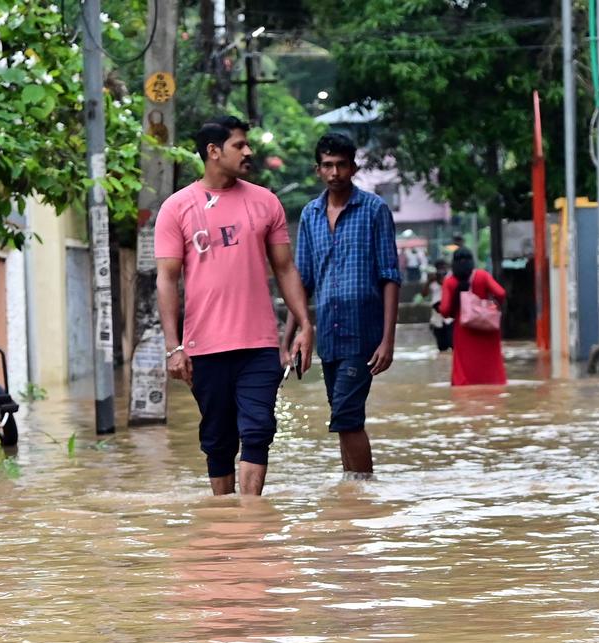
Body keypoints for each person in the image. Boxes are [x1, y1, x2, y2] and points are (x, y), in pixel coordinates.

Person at [154, 115, 314, 496]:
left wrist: (305, 324)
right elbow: (166, 280)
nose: (248, 151)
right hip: (204, 347)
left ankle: (249, 519)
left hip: (259, 344)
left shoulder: (265, 203)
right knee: (218, 439)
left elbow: (286, 269)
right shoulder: (177, 208)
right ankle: (226, 526)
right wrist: (173, 347)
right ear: (213, 151)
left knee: (258, 429)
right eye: (239, 145)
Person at [293, 132, 401, 478]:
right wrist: (289, 337)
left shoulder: (374, 210)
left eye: (341, 165)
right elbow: (303, 282)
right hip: (329, 333)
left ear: (353, 167)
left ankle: (364, 491)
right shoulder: (310, 214)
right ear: (318, 169)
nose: (334, 172)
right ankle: (352, 492)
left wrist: (388, 340)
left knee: (346, 415)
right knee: (343, 414)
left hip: (363, 332)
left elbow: (390, 276)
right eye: (327, 165)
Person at [439, 248, 507, 385]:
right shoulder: (482, 276)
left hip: (464, 330)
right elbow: (500, 293)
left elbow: (445, 310)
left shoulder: (449, 282)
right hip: (488, 328)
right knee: (491, 366)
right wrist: (492, 306)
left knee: (465, 369)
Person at [425, 260, 453, 352]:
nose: (441, 271)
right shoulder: (432, 280)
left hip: (450, 316)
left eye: (443, 268)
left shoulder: (450, 278)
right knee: (441, 346)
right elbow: (424, 294)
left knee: (452, 343)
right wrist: (429, 281)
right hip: (436, 316)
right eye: (439, 268)